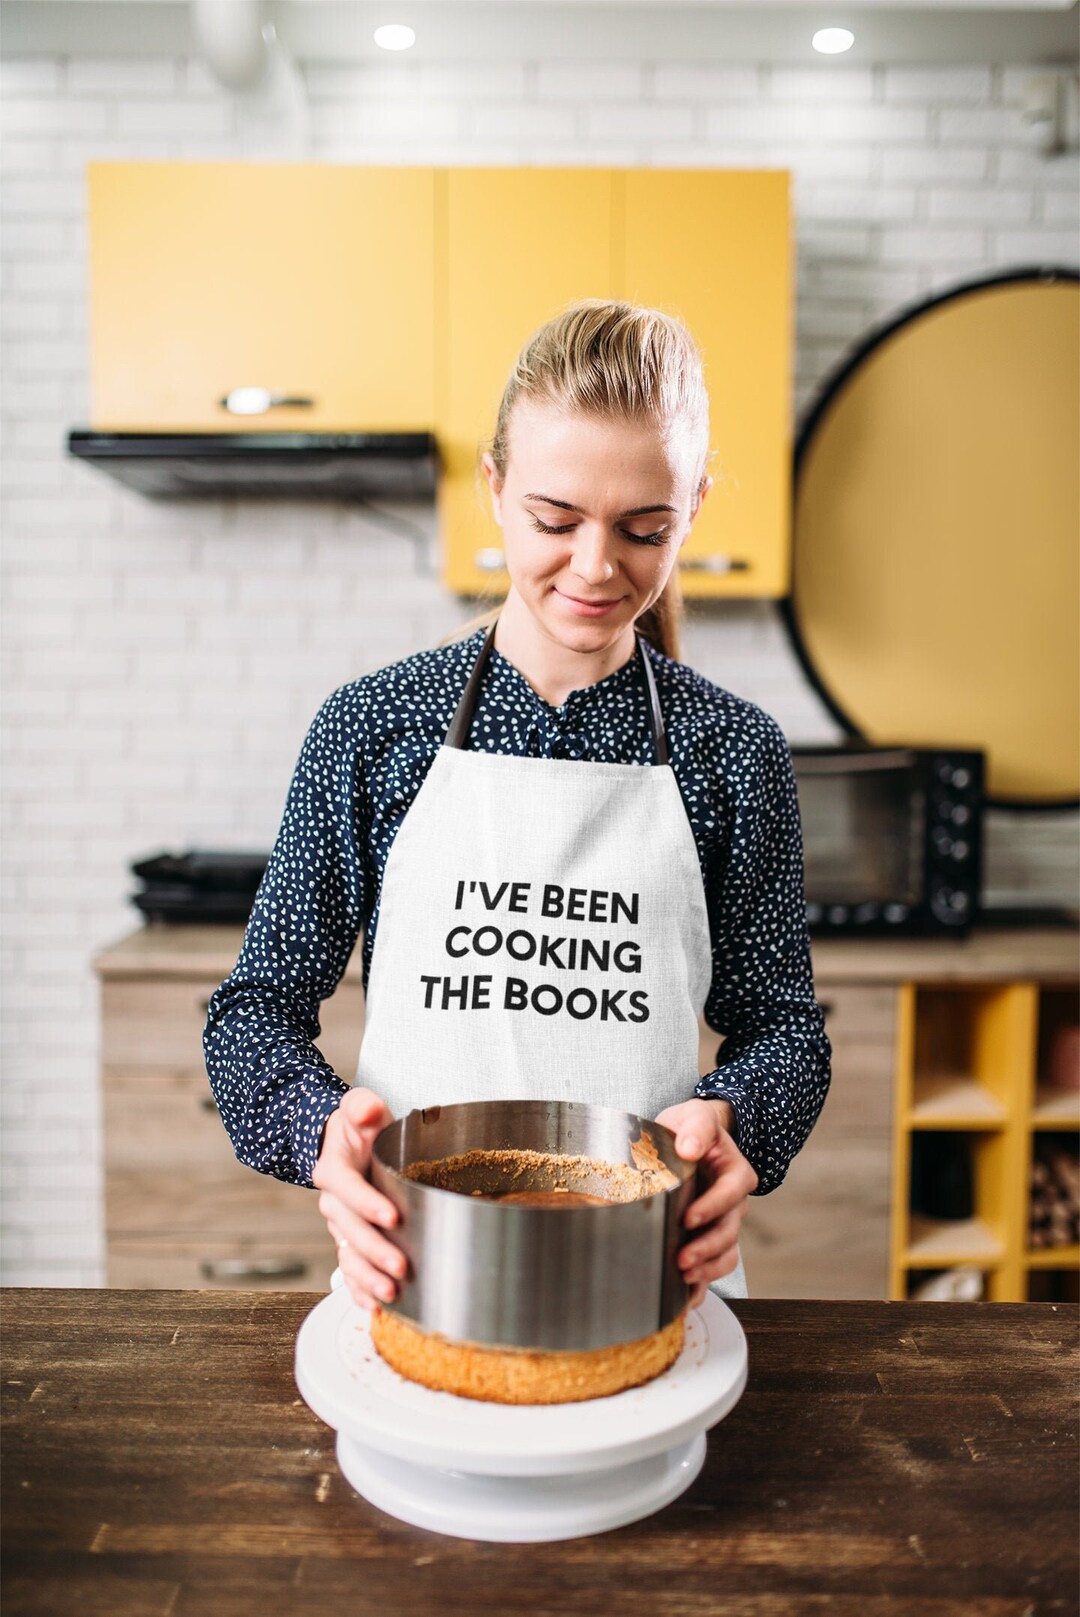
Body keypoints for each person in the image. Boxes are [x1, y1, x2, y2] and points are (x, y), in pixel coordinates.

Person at [203, 298, 832, 1316]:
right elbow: (254, 1014)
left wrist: (740, 1125)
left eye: (644, 529)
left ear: (695, 508)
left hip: (646, 1280)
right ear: (494, 490)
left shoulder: (734, 753)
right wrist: (323, 1133)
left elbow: (784, 1030)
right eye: (555, 520)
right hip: (421, 1273)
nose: (595, 567)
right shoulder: (375, 725)